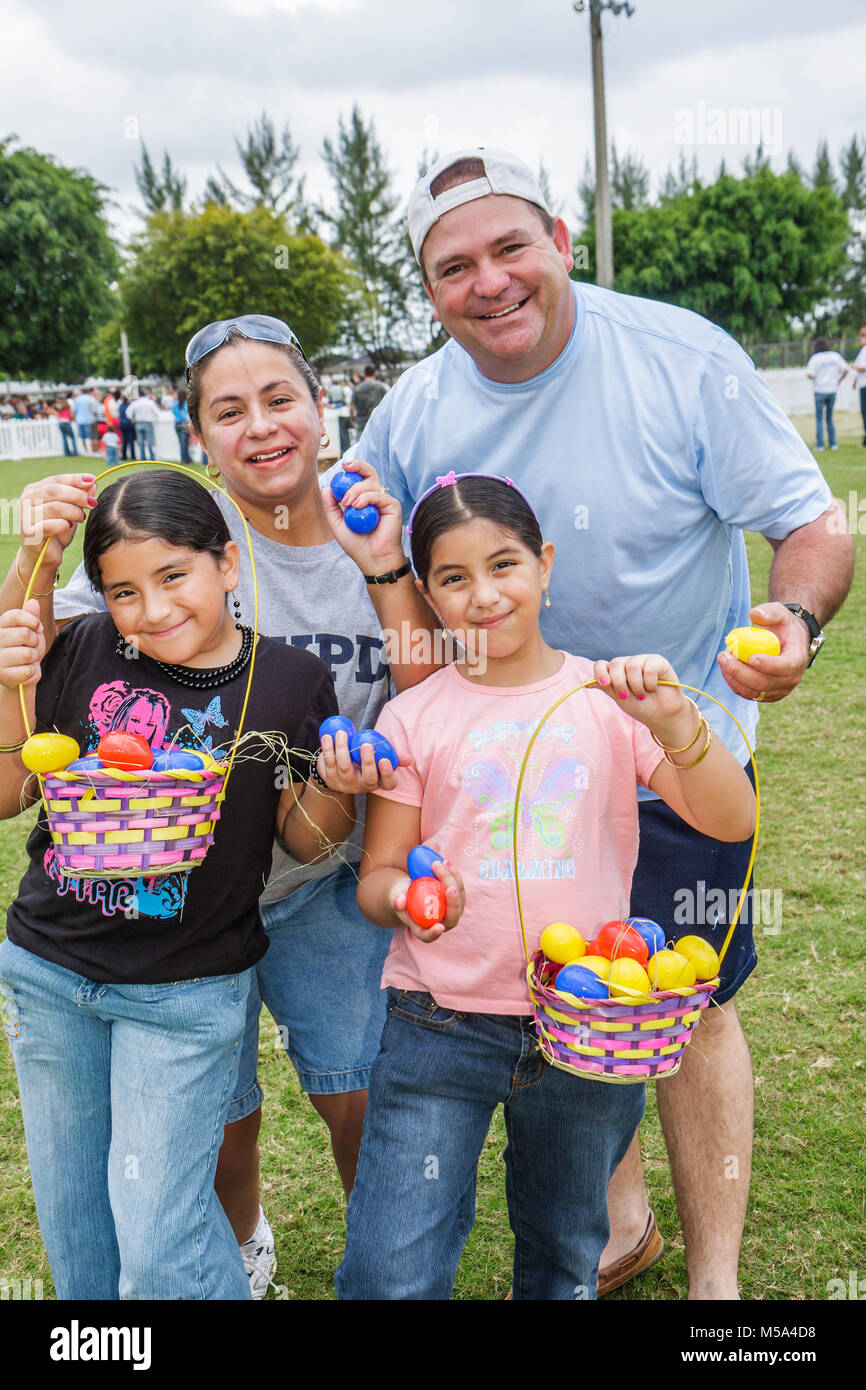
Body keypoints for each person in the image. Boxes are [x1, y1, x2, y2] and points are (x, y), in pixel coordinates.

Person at [342, 147, 854, 1300]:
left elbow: (810, 522)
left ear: (560, 241)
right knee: (556, 993)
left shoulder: (678, 360)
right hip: (504, 763)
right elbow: (379, 560)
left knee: (689, 1004)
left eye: (509, 247)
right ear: (428, 291)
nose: (488, 281)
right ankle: (611, 1220)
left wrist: (793, 621)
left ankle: (712, 1282)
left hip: (669, 744)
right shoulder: (415, 403)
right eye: (451, 266)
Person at [5, 315, 439, 1299]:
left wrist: (381, 574)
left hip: (316, 875)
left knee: (355, 1087)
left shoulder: (375, 525)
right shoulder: (164, 541)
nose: (260, 426)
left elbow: (431, 699)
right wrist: (33, 547)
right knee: (217, 1118)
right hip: (145, 916)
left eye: (279, 399)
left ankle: (380, 1272)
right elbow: (31, 670)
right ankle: (234, 1255)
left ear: (321, 407)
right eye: (227, 411)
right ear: (200, 432)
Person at [335, 473, 756, 1301]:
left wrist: (677, 725)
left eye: (505, 566)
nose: (484, 596)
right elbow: (378, 876)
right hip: (438, 1026)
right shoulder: (414, 718)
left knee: (565, 1257)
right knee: (391, 1268)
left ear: (546, 565)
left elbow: (729, 820)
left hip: (585, 1028)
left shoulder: (608, 702)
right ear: (428, 592)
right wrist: (407, 904)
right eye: (453, 579)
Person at [0, 469, 364, 1299]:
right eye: (123, 591)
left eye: (174, 576)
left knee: (161, 1233)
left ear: (227, 565)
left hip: (187, 992)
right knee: (76, 1218)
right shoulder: (88, 646)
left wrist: (340, 784)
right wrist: (12, 642)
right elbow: (8, 792)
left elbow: (304, 840)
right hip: (50, 973)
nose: (153, 610)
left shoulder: (290, 679)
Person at [806, 335, 848, 451]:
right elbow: (845, 369)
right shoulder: (835, 356)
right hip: (832, 390)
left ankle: (820, 444)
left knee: (819, 418)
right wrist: (837, 380)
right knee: (829, 417)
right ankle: (833, 443)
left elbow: (810, 374)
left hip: (819, 390)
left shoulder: (815, 358)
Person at [349, 364, 388, 439]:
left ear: (364, 374)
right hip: (377, 422)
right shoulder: (381, 387)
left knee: (361, 446)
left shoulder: (357, 388)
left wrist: (352, 420)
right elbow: (388, 404)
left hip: (361, 422)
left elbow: (352, 407)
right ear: (375, 373)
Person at [127, 391, 159, 461]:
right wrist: (153, 419)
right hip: (148, 423)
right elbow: (157, 413)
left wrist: (133, 419)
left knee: (140, 442)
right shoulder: (150, 402)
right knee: (150, 441)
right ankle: (152, 457)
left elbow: (128, 412)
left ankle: (142, 458)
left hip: (138, 423)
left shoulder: (135, 403)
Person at [851, 325, 866, 447]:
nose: (860, 339)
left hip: (865, 386)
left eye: (862, 336)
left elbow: (863, 367)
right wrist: (855, 381)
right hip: (862, 384)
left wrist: (854, 367)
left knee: (865, 412)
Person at [71, 389, 96, 455]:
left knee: (82, 437)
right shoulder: (90, 399)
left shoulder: (77, 399)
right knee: (89, 436)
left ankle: (86, 451)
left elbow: (74, 410)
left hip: (79, 420)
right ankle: (90, 451)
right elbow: (94, 410)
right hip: (89, 420)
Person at [173, 387, 192, 463]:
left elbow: (173, 413)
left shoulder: (175, 404)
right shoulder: (186, 404)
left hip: (177, 424)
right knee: (184, 443)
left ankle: (184, 458)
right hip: (184, 424)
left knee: (181, 443)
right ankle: (185, 459)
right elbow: (188, 415)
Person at [119, 394, 137, 460]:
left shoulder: (121, 405)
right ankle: (132, 456)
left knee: (124, 441)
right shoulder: (130, 405)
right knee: (131, 440)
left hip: (122, 424)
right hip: (129, 424)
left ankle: (124, 456)